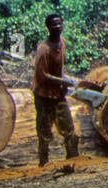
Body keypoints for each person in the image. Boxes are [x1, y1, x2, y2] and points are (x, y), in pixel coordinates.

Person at [32, 14, 79, 166]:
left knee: (69, 129)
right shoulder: (43, 49)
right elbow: (42, 76)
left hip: (58, 94)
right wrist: (64, 81)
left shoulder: (62, 42)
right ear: (48, 27)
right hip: (44, 95)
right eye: (54, 25)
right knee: (45, 132)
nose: (57, 27)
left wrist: (67, 80)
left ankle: (74, 159)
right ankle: (43, 163)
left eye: (59, 24)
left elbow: (59, 69)